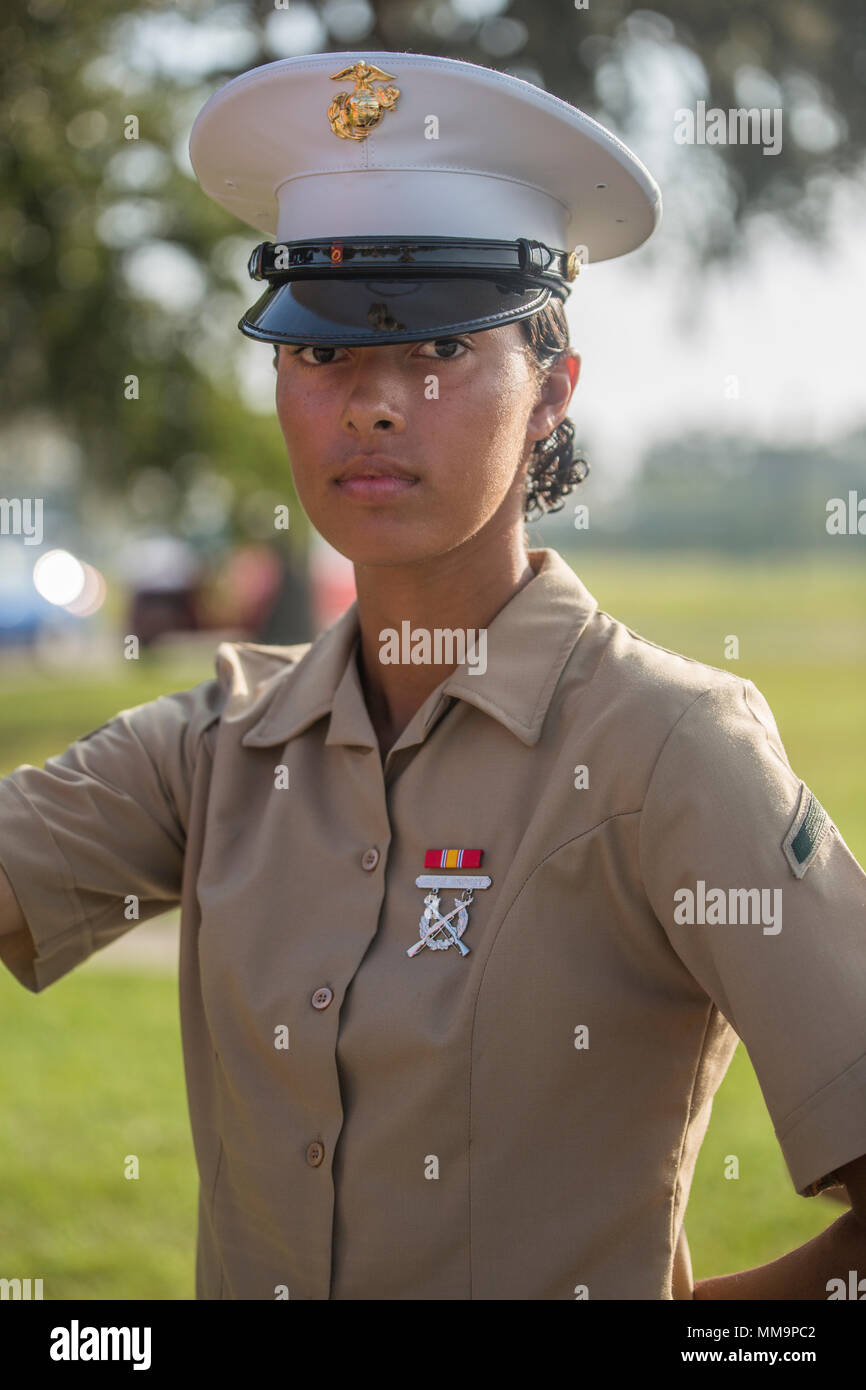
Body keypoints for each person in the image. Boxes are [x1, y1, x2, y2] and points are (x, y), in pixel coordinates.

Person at [1, 49, 865, 1302]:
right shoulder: (215, 750)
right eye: (321, 351)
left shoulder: (670, 749)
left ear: (552, 393)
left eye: (441, 349)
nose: (373, 404)